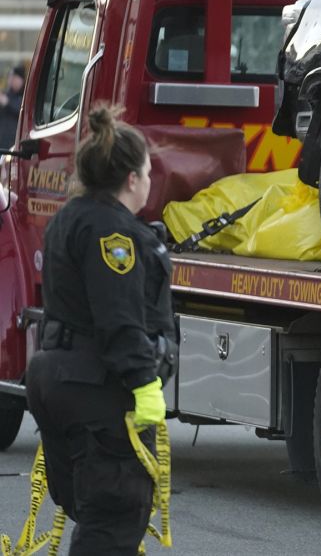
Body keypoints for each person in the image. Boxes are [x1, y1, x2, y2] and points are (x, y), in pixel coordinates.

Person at [25, 104, 177, 555]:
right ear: (132, 178)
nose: (150, 180)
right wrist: (145, 384)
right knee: (114, 514)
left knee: (96, 513)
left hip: (57, 377)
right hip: (98, 386)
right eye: (147, 172)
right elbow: (119, 319)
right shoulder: (115, 234)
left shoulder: (69, 218)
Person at [0, 64, 24, 149]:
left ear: (21, 80)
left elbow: (21, 111)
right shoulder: (5, 94)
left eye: (14, 77)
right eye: (10, 77)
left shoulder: (24, 97)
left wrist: (7, 103)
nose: (11, 80)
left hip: (14, 144)